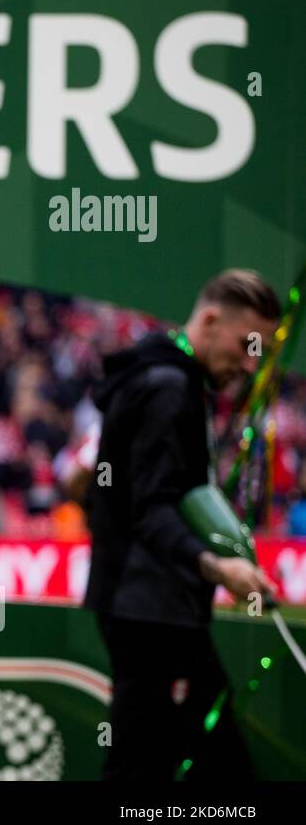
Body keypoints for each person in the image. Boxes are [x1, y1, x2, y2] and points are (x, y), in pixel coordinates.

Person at [86, 269, 280, 780]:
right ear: (212, 320)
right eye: (247, 344)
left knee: (172, 759)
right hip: (153, 611)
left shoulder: (159, 378)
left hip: (147, 605)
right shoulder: (168, 388)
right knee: (156, 763)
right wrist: (219, 567)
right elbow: (150, 509)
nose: (250, 362)